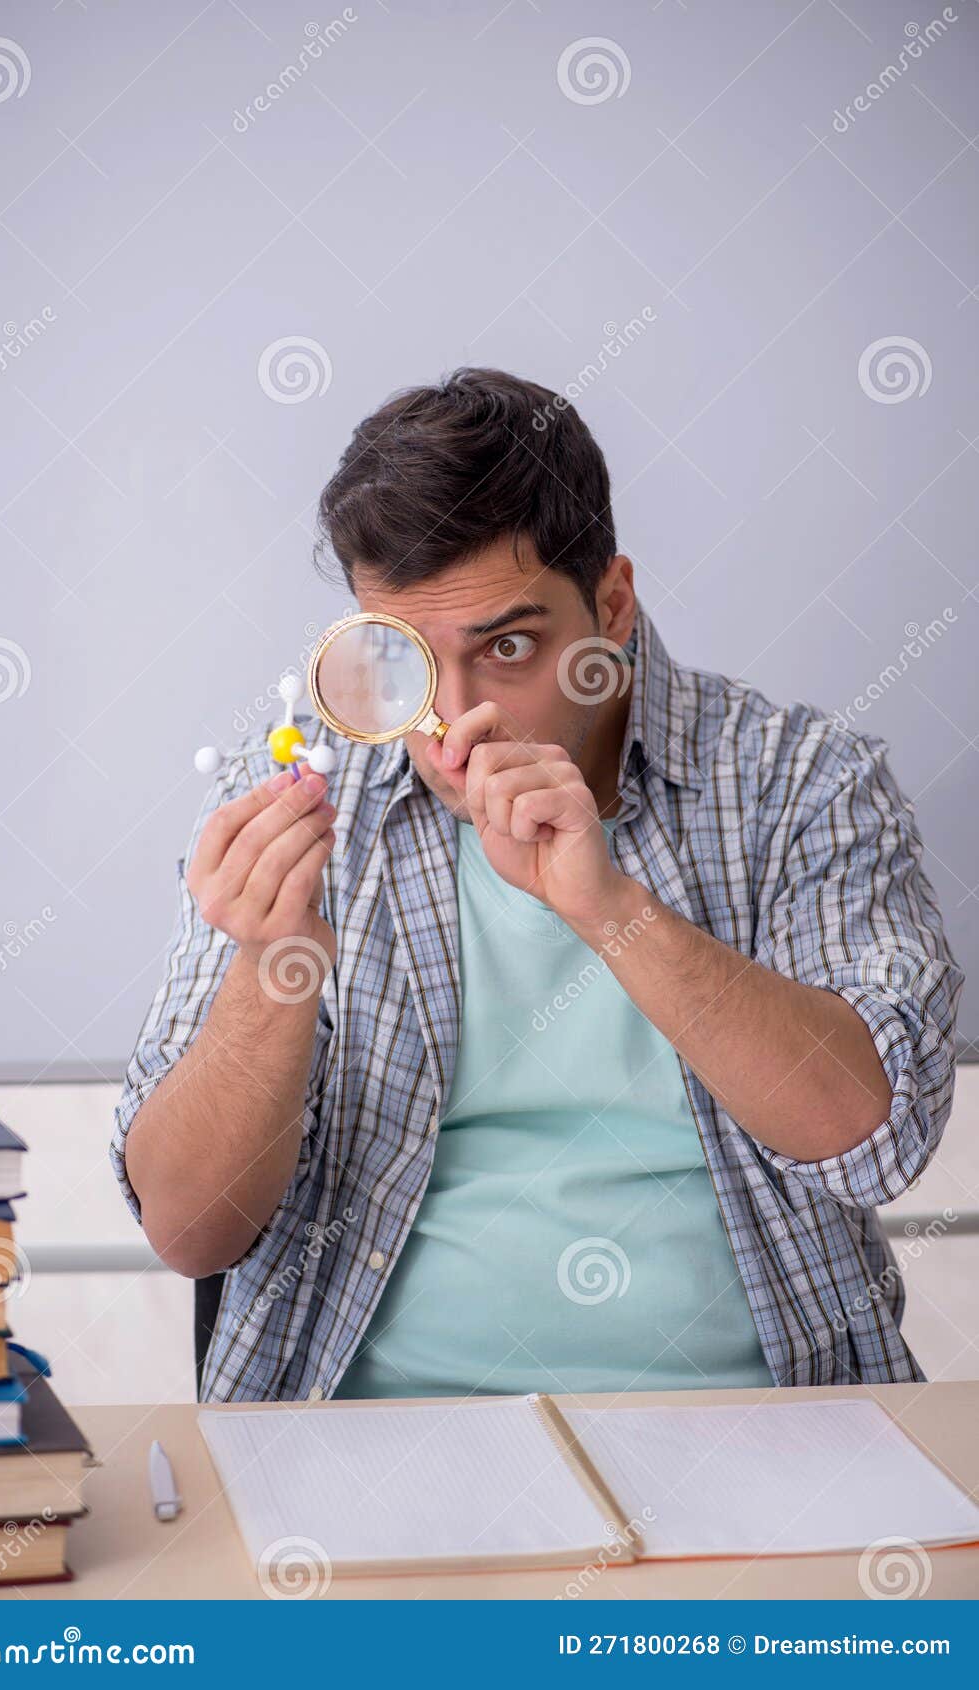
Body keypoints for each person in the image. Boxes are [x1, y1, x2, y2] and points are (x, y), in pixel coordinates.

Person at [110, 367, 962, 1404]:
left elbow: (873, 1146)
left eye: (508, 646)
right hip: (368, 1438)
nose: (455, 718)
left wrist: (609, 908)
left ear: (610, 602)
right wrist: (270, 965)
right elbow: (190, 1231)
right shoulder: (298, 791)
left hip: (763, 1420)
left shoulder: (803, 780)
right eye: (406, 658)